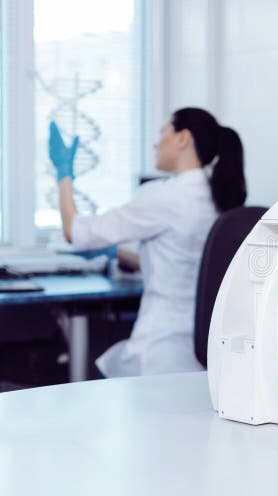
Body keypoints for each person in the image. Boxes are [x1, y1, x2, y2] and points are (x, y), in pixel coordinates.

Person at [48, 108, 247, 377]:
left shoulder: (163, 197)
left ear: (182, 139)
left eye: (162, 132)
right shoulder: (216, 199)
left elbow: (75, 231)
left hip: (159, 349)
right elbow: (181, 264)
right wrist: (116, 252)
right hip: (203, 351)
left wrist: (63, 175)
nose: (156, 143)